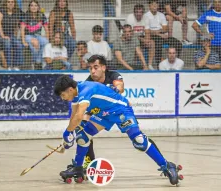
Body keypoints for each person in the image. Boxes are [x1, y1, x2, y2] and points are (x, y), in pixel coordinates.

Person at [54, 75, 183, 186]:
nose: (62, 98)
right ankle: (78, 167)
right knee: (83, 136)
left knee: (139, 141)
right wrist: (70, 135)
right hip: (104, 113)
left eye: (63, 95)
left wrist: (67, 133)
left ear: (70, 89)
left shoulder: (85, 90)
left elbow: (78, 117)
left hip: (121, 110)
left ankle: (167, 165)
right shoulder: (75, 94)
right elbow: (74, 116)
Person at [192, 0, 221, 69]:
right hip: (213, 45)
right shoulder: (208, 14)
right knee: (214, 68)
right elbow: (194, 25)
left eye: (219, 2)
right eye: (215, 2)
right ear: (213, 4)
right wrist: (205, 34)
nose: (217, 4)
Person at [145, 0, 183, 69]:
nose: (155, 7)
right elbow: (147, 31)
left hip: (162, 35)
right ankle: (159, 66)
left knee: (177, 43)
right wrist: (159, 33)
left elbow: (166, 29)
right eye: (153, 5)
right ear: (149, 6)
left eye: (156, 5)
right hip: (151, 37)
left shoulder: (161, 15)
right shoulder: (146, 16)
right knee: (158, 43)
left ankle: (174, 63)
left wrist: (158, 32)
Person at [0, 0, 24, 70]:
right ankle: (8, 66)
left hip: (11, 35)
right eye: (8, 2)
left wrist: (16, 34)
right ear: (5, 3)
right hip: (0, 35)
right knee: (7, 43)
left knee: (18, 44)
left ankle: (16, 66)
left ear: (14, 3)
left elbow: (19, 23)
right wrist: (2, 35)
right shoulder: (1, 11)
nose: (10, 3)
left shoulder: (17, 12)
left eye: (12, 2)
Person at [21, 0, 49, 70]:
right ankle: (35, 62)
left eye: (35, 5)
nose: (33, 7)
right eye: (32, 5)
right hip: (28, 36)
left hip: (38, 36)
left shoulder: (41, 15)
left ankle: (38, 61)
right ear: (29, 7)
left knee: (45, 42)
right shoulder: (26, 15)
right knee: (35, 43)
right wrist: (24, 41)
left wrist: (47, 38)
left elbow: (46, 28)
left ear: (38, 7)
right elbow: (22, 29)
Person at [125, 4, 155, 70]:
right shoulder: (130, 18)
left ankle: (150, 64)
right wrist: (142, 40)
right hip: (130, 37)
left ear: (143, 13)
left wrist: (147, 40)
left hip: (141, 37)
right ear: (134, 12)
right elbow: (129, 33)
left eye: (140, 12)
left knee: (151, 43)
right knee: (138, 47)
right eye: (137, 12)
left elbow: (147, 31)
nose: (138, 14)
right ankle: (138, 65)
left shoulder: (146, 18)